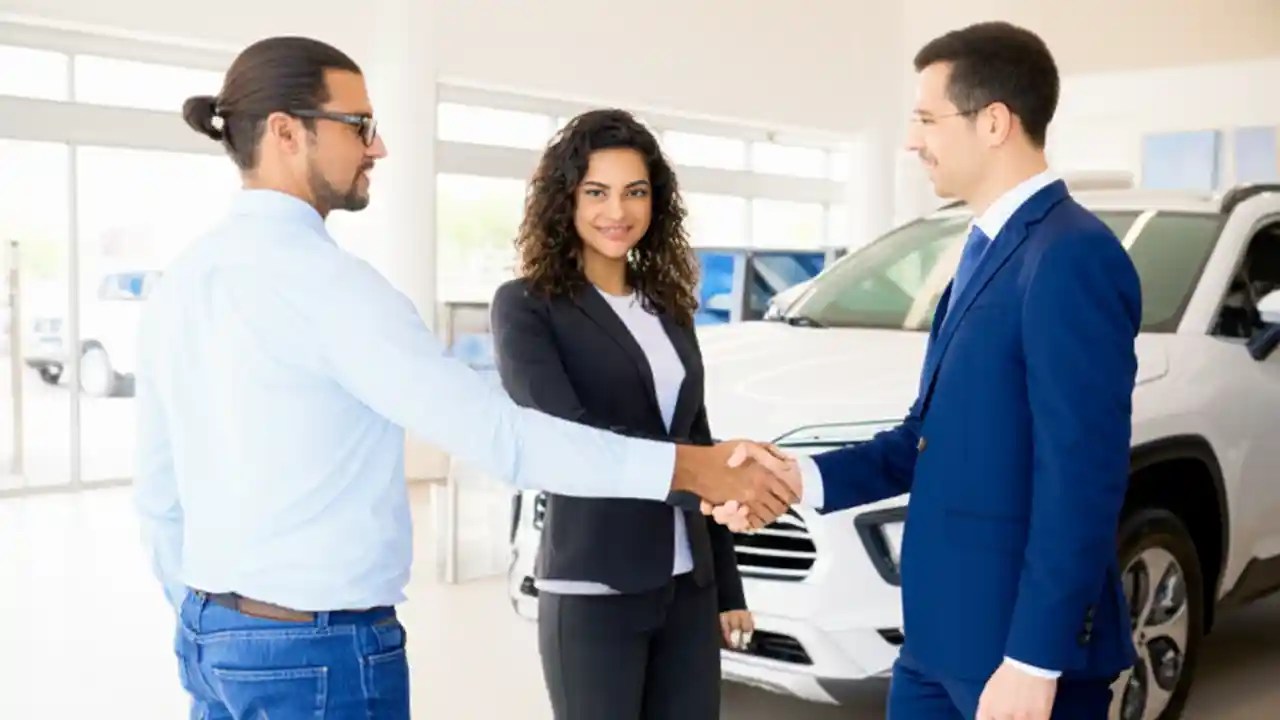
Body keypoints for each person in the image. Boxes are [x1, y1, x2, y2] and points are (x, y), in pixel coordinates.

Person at [133, 36, 796, 719]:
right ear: (285, 132)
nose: (378, 147)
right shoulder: (335, 290)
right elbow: (505, 438)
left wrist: (208, 613)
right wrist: (694, 469)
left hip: (212, 634)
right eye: (359, 125)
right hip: (319, 650)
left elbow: (157, 489)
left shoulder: (181, 279)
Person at [715, 21, 1141, 720]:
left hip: (1017, 655)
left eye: (926, 119)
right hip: (937, 639)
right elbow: (926, 435)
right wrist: (797, 477)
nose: (911, 142)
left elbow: (1082, 477)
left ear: (994, 122)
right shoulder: (981, 252)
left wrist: (1035, 660)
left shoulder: (1071, 256)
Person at [489, 109, 754, 719]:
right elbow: (563, 436)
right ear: (565, 199)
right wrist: (704, 474)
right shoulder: (527, 306)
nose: (618, 211)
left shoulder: (668, 308)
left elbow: (696, 436)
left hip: (688, 586)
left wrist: (727, 586)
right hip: (594, 582)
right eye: (596, 192)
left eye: (635, 192)